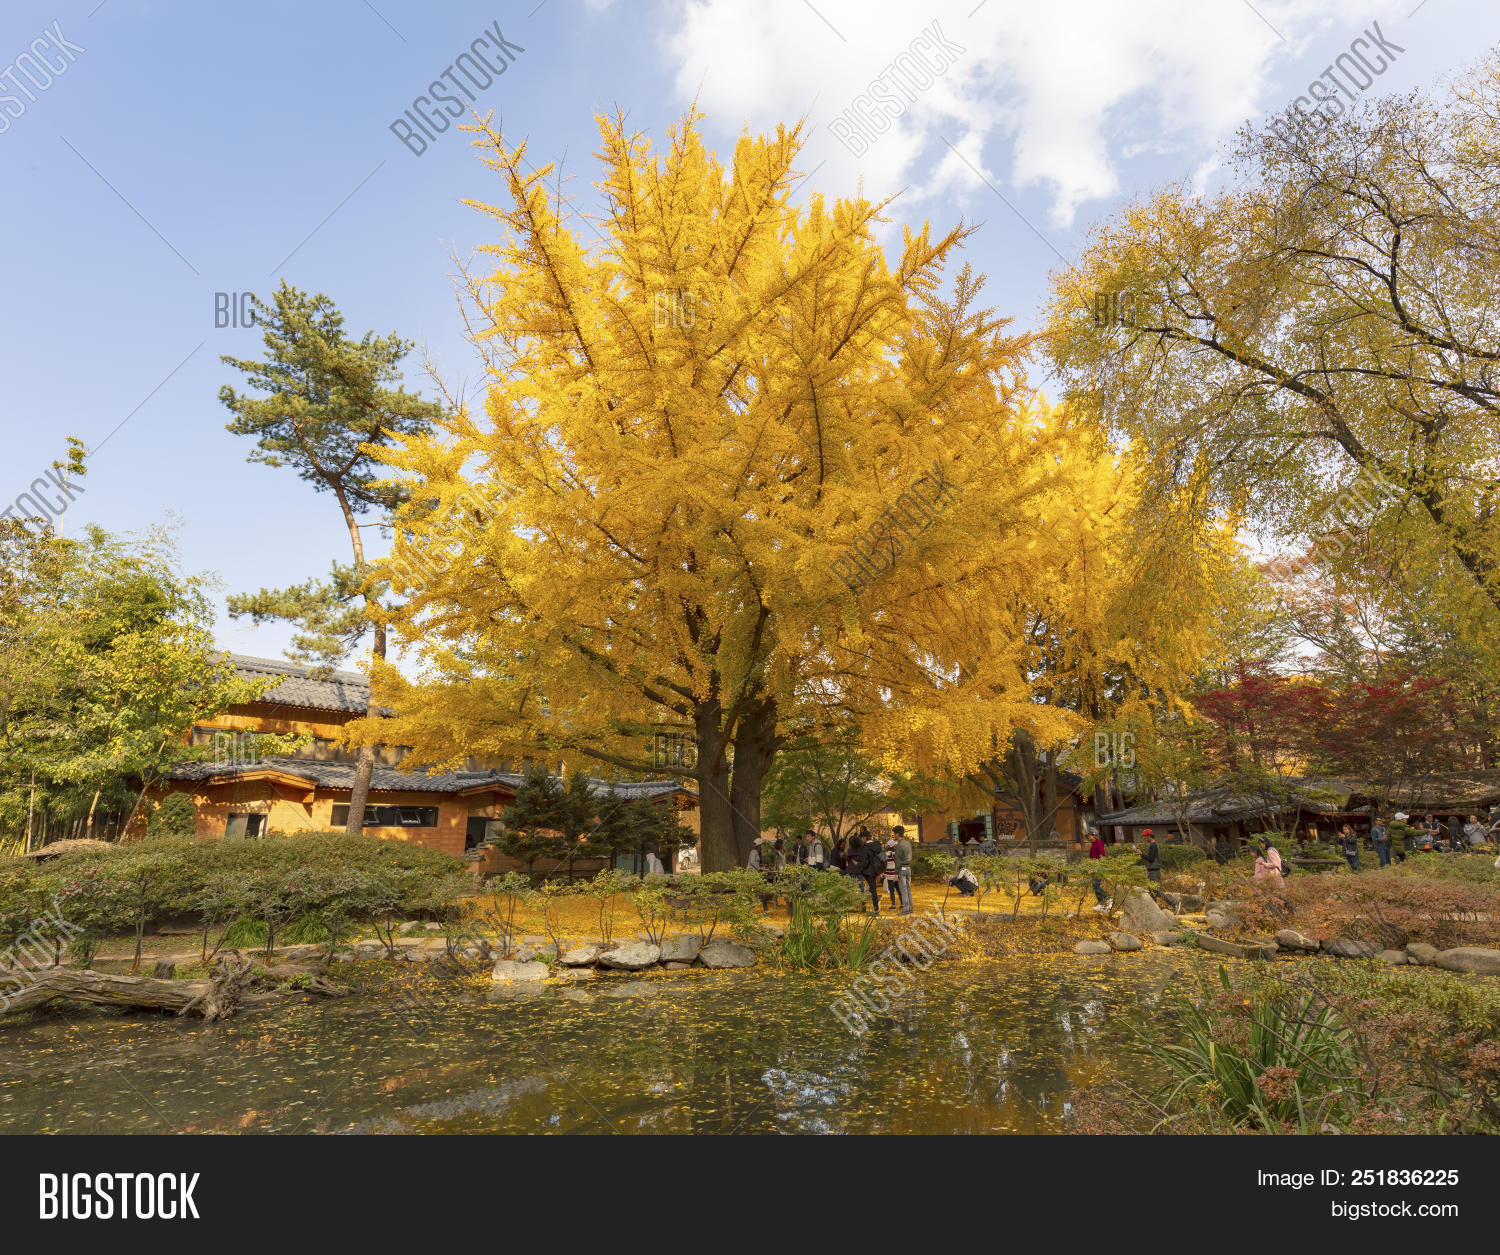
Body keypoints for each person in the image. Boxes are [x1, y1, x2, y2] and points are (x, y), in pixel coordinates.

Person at [858, 830, 884, 912]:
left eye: (861, 838)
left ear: (865, 838)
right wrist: (880, 872)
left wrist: (859, 865)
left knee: (873, 890)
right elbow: (883, 859)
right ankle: (875, 908)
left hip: (868, 872)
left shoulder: (865, 848)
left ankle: (876, 909)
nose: (861, 840)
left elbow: (865, 862)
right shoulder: (877, 846)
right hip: (876, 871)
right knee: (872, 889)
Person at [893, 825, 914, 915]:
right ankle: (910, 908)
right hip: (908, 867)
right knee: (908, 889)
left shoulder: (899, 845)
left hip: (901, 869)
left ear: (897, 834)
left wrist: (896, 873)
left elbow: (897, 861)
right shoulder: (908, 843)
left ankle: (905, 909)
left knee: (903, 890)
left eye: (894, 834)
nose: (893, 835)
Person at [1087, 827, 1109, 910]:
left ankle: (1108, 898)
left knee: (1096, 885)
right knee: (1094, 886)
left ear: (1094, 835)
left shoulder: (1099, 843)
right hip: (1093, 868)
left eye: (1090, 836)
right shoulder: (1093, 844)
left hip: (1098, 868)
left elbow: (1102, 855)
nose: (1088, 837)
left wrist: (1101, 867)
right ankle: (1100, 903)